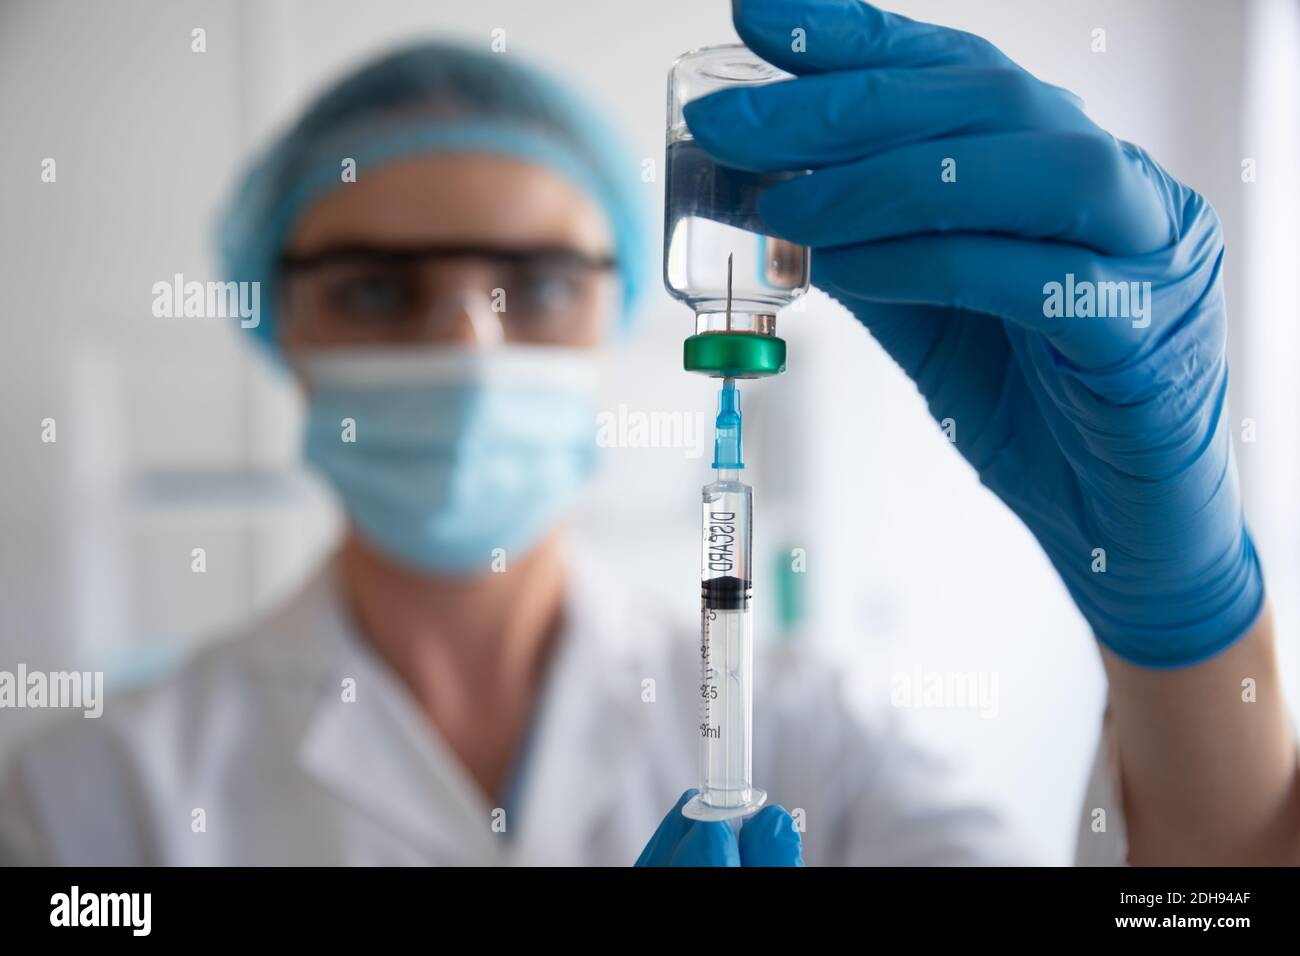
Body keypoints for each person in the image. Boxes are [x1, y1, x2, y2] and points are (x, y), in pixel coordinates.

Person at [2, 0, 1296, 867]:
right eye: (380, 288)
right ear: (275, 325)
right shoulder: (95, 800)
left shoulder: (810, 735)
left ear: (623, 300)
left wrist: (1185, 632)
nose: (467, 343)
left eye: (535, 283)